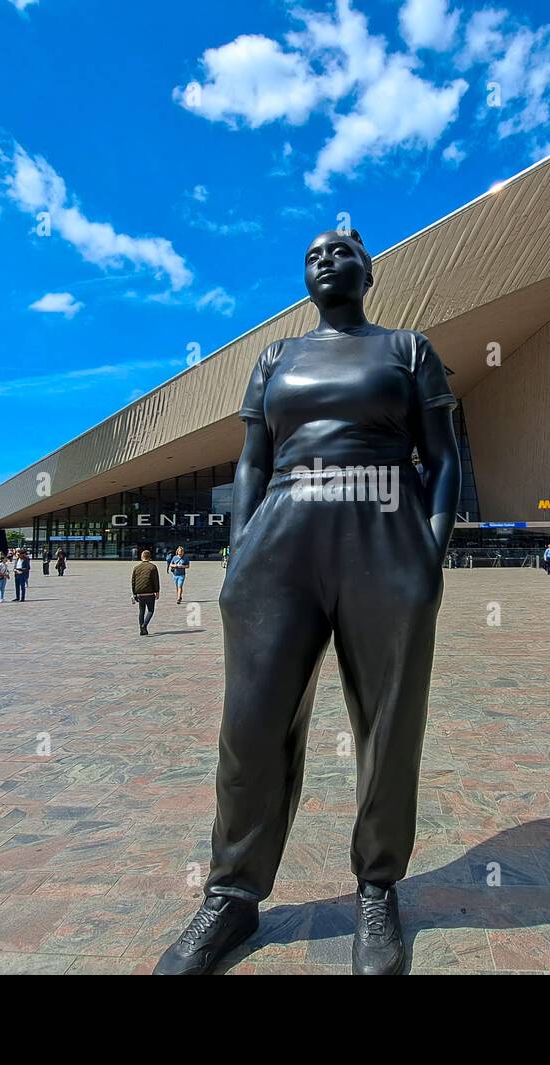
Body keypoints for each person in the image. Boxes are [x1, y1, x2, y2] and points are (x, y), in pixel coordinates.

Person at [155, 229, 460, 978]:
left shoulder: (408, 350)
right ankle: (231, 893)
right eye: (314, 254)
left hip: (384, 534)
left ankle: (378, 888)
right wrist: (237, 559)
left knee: (389, 725)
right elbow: (252, 462)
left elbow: (447, 458)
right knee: (251, 725)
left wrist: (430, 552)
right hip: (281, 541)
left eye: (343, 250)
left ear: (368, 270)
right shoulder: (275, 358)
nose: (327, 258)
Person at [132, 548, 160, 635]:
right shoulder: (153, 567)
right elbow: (155, 580)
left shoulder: (136, 568)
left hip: (140, 593)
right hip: (149, 592)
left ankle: (142, 630)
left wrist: (134, 593)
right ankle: (144, 625)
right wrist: (157, 591)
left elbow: (133, 581)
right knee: (151, 610)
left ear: (142, 557)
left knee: (141, 611)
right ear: (149, 557)